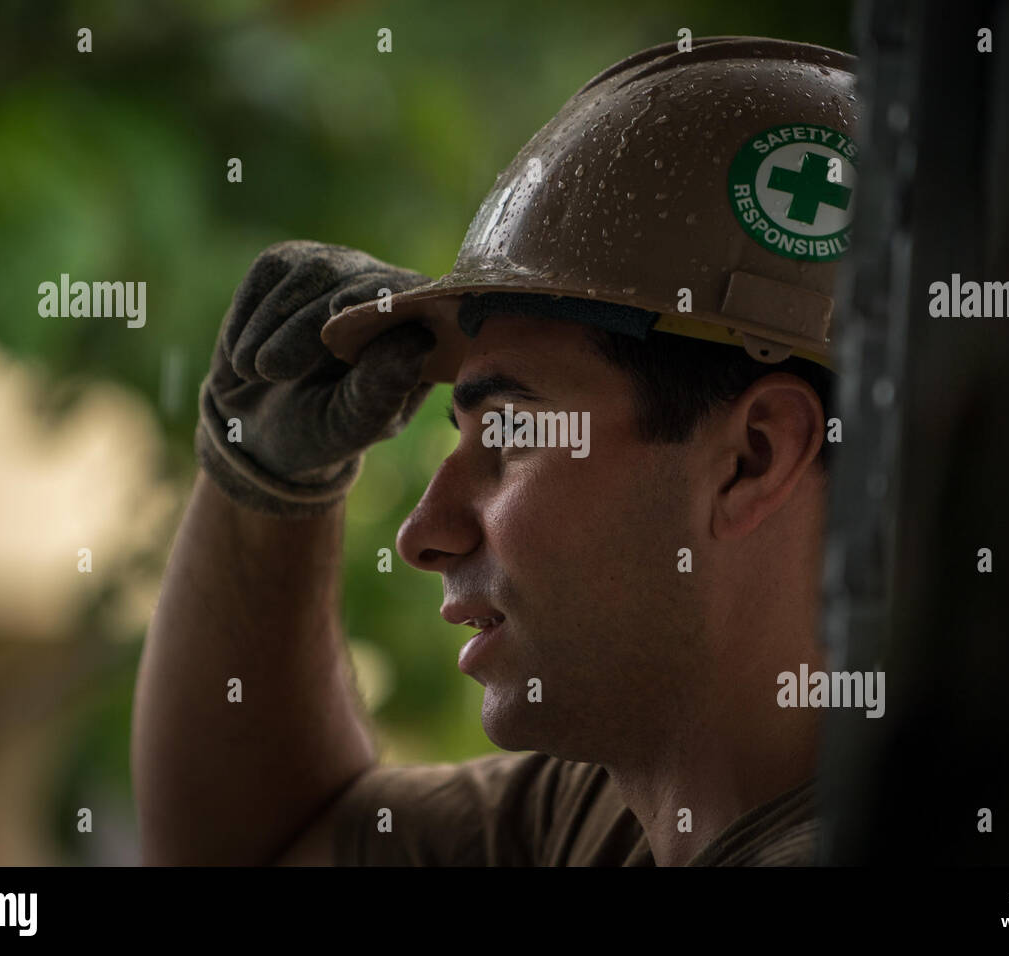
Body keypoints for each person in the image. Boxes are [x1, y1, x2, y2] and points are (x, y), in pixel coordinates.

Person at [133, 34, 858, 866]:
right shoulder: (610, 815)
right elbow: (264, 846)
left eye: (512, 429)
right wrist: (263, 484)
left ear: (754, 458)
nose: (423, 533)